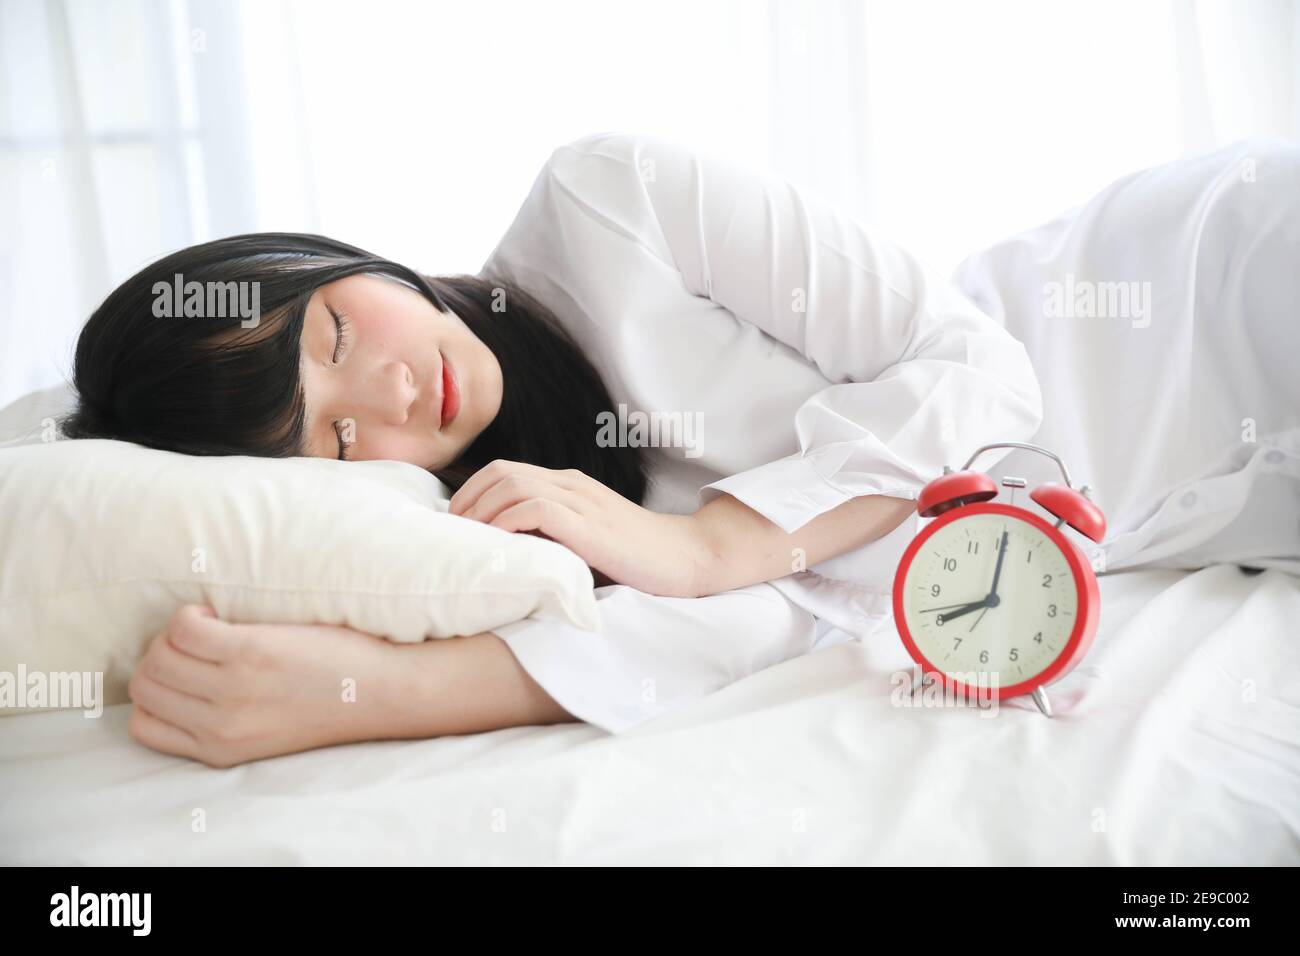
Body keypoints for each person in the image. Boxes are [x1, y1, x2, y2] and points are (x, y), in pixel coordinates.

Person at [60, 132, 1044, 767]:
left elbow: (980, 368)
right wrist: (371, 687)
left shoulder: (608, 203)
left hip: (1142, 325)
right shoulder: (472, 527)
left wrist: (709, 545)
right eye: (337, 435)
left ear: (327, 259)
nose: (390, 392)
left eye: (335, 334)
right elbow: (780, 610)